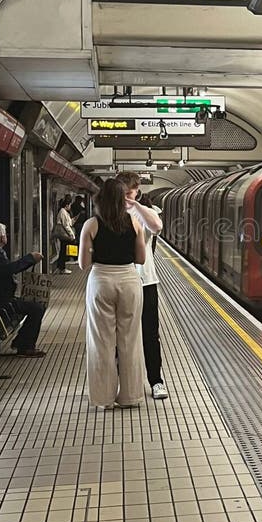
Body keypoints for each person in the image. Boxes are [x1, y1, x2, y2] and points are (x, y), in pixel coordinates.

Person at [78, 179, 147, 409]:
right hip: (129, 281)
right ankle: (131, 397)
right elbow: (141, 259)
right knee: (130, 339)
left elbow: (83, 264)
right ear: (122, 200)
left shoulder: (91, 224)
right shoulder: (135, 223)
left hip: (101, 281)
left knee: (101, 341)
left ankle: (103, 399)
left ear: (99, 199)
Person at [116, 171, 168, 400]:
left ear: (137, 191)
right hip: (120, 281)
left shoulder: (146, 211)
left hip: (146, 281)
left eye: (131, 192)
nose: (127, 197)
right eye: (123, 193)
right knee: (120, 334)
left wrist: (135, 205)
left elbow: (156, 226)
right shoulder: (111, 213)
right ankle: (121, 381)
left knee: (150, 333)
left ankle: (156, 381)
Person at [0, 223, 46, 358]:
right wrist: (30, 259)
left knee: (35, 307)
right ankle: (25, 345)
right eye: (4, 234)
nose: (6, 237)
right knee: (37, 309)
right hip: (2, 302)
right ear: (1, 237)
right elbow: (9, 269)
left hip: (3, 299)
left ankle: (22, 343)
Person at [54, 195, 75, 274]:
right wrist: (72, 235)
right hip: (63, 234)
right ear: (67, 205)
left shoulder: (64, 212)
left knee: (63, 251)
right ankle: (62, 268)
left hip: (64, 234)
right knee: (63, 251)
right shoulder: (63, 212)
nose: (70, 207)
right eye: (70, 205)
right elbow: (66, 225)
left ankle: (61, 267)